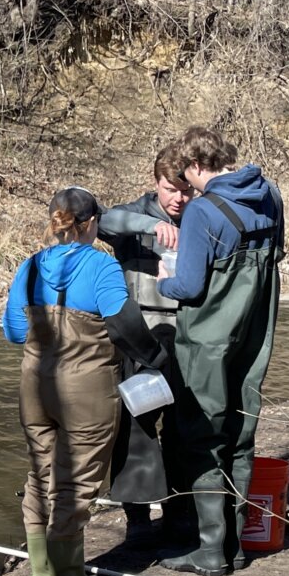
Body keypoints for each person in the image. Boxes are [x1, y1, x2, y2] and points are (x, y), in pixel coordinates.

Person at [2, 187, 170, 576]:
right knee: (76, 481)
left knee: (42, 474)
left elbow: (15, 332)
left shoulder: (30, 267)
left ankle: (41, 573)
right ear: (93, 223)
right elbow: (124, 325)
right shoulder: (100, 265)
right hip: (86, 390)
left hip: (35, 385)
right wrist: (156, 358)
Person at [156, 126, 285, 576]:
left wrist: (162, 280)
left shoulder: (202, 213)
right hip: (255, 335)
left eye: (185, 178)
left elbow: (189, 286)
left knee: (204, 438)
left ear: (194, 167)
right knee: (240, 434)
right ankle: (235, 546)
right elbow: (276, 256)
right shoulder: (270, 194)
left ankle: (212, 551)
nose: (185, 188)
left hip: (208, 341)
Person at [99, 149, 193, 544]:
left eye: (186, 191)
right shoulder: (134, 214)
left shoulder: (200, 218)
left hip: (189, 336)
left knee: (184, 426)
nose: (178, 199)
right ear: (156, 183)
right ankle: (136, 515)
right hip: (142, 339)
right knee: (138, 425)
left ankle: (179, 508)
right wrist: (151, 227)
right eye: (171, 189)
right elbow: (103, 220)